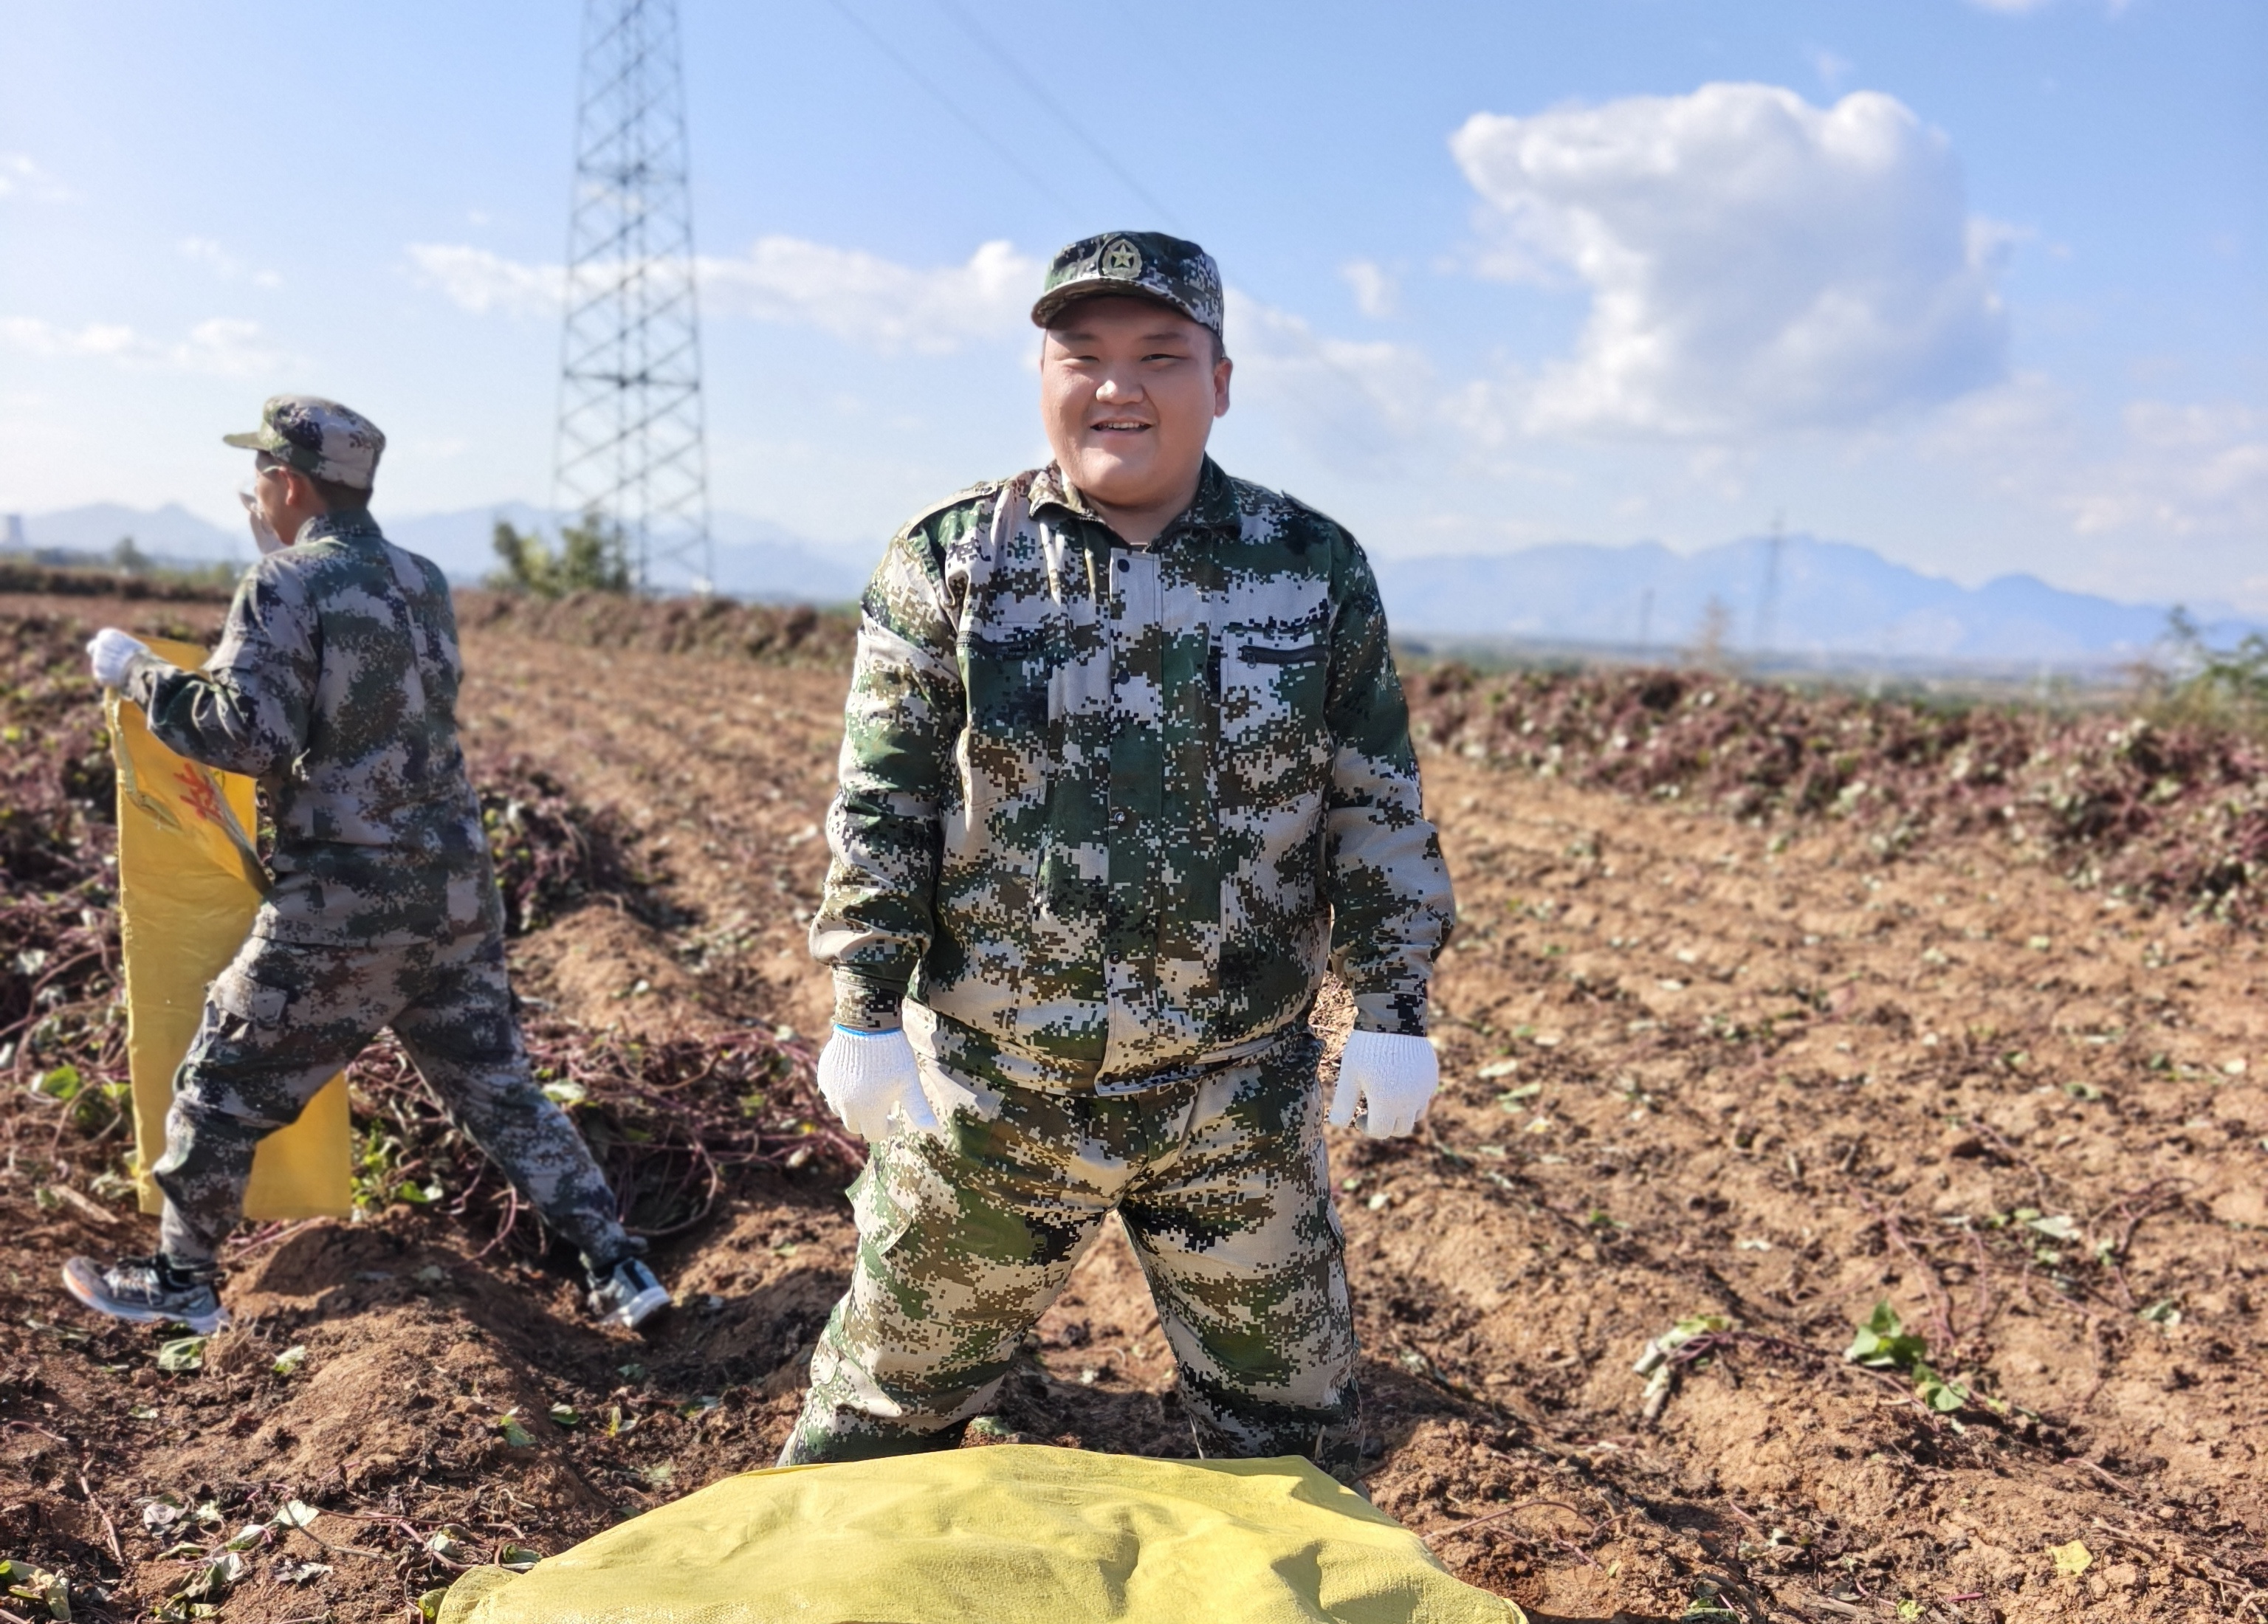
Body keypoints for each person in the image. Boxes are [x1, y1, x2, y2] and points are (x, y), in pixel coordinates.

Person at [785, 231, 1454, 1469]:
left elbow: (1372, 802)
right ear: (1042, 376)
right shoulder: (955, 559)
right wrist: (863, 1008)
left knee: (1289, 1451)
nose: (1117, 387)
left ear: (1221, 382)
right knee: (875, 1434)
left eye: (1159, 356)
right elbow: (885, 799)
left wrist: (1393, 1006)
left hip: (1234, 1101)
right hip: (992, 1097)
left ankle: (1266, 1603)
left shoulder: (1309, 569)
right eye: (1081, 355)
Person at [65, 395, 670, 1338]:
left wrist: (141, 676)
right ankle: (619, 1266)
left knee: (221, 1085)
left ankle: (182, 1283)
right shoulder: (423, 578)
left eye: (261, 474)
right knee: (500, 1093)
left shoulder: (282, 583)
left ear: (285, 481)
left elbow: (248, 735)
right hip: (455, 890)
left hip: (348, 899)